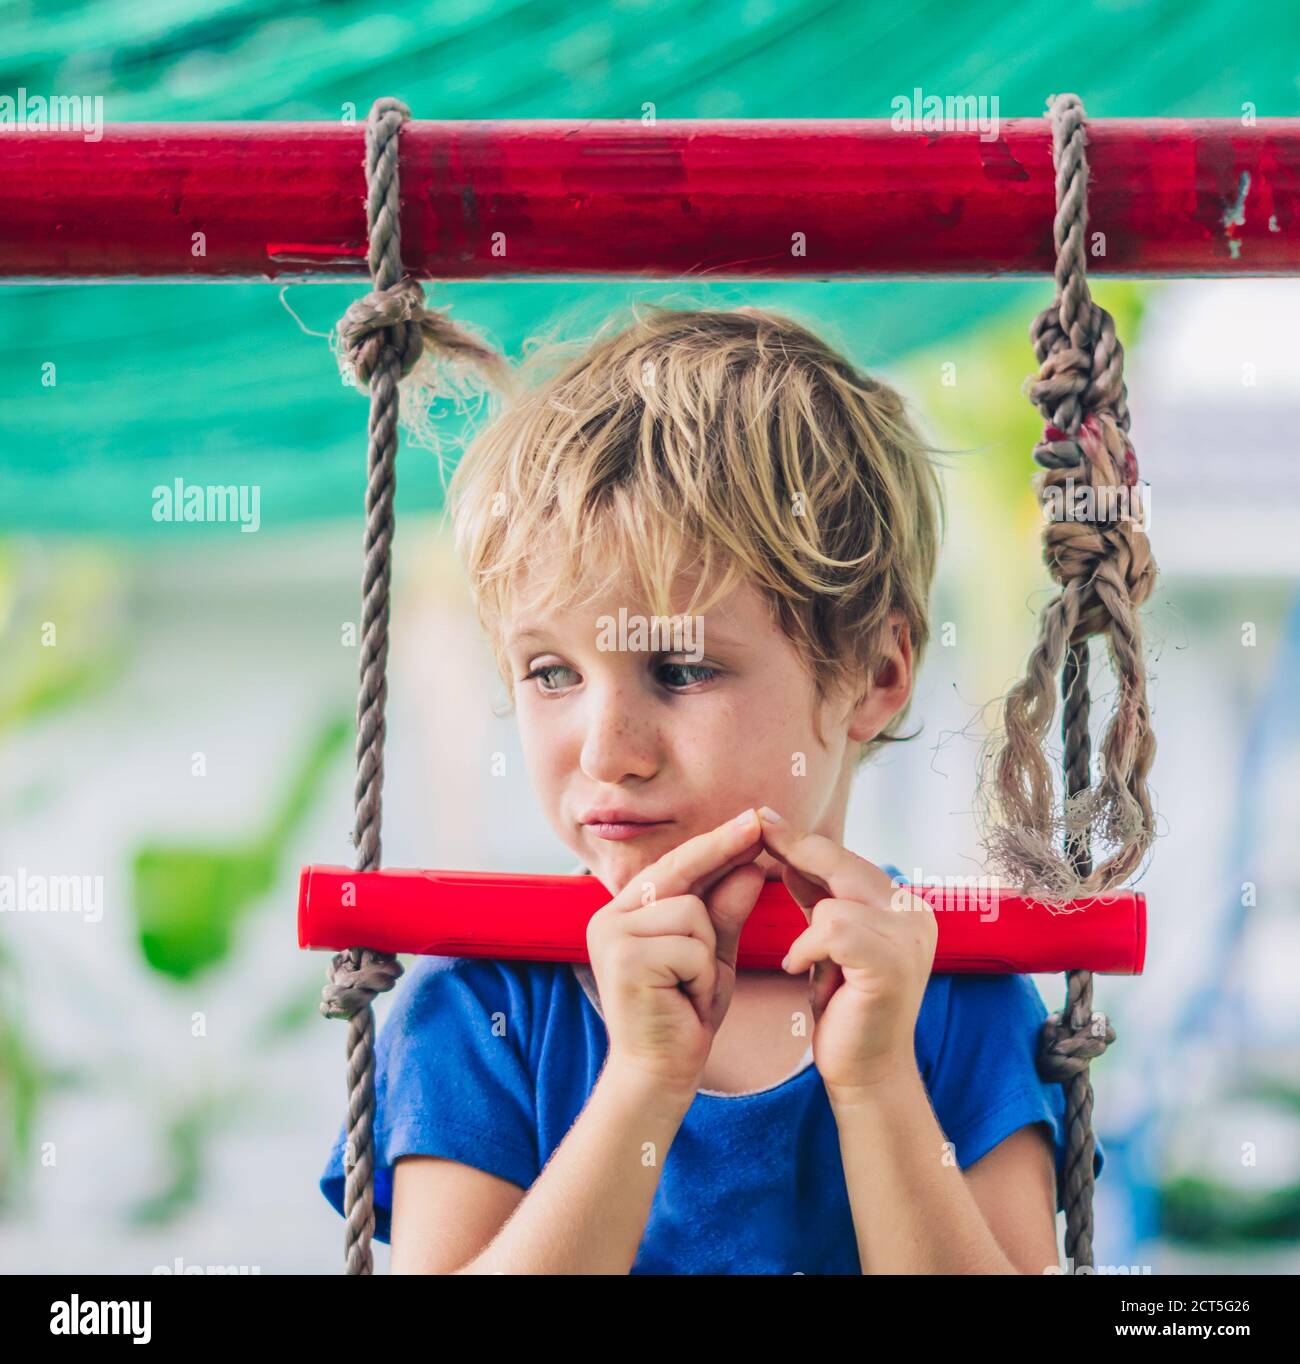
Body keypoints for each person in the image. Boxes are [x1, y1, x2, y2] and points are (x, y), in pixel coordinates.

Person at [319, 304, 1103, 1273]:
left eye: (681, 669)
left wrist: (875, 1085)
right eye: (551, 672)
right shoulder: (481, 1004)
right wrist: (642, 1081)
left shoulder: (952, 1001)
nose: (608, 749)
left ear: (874, 672)